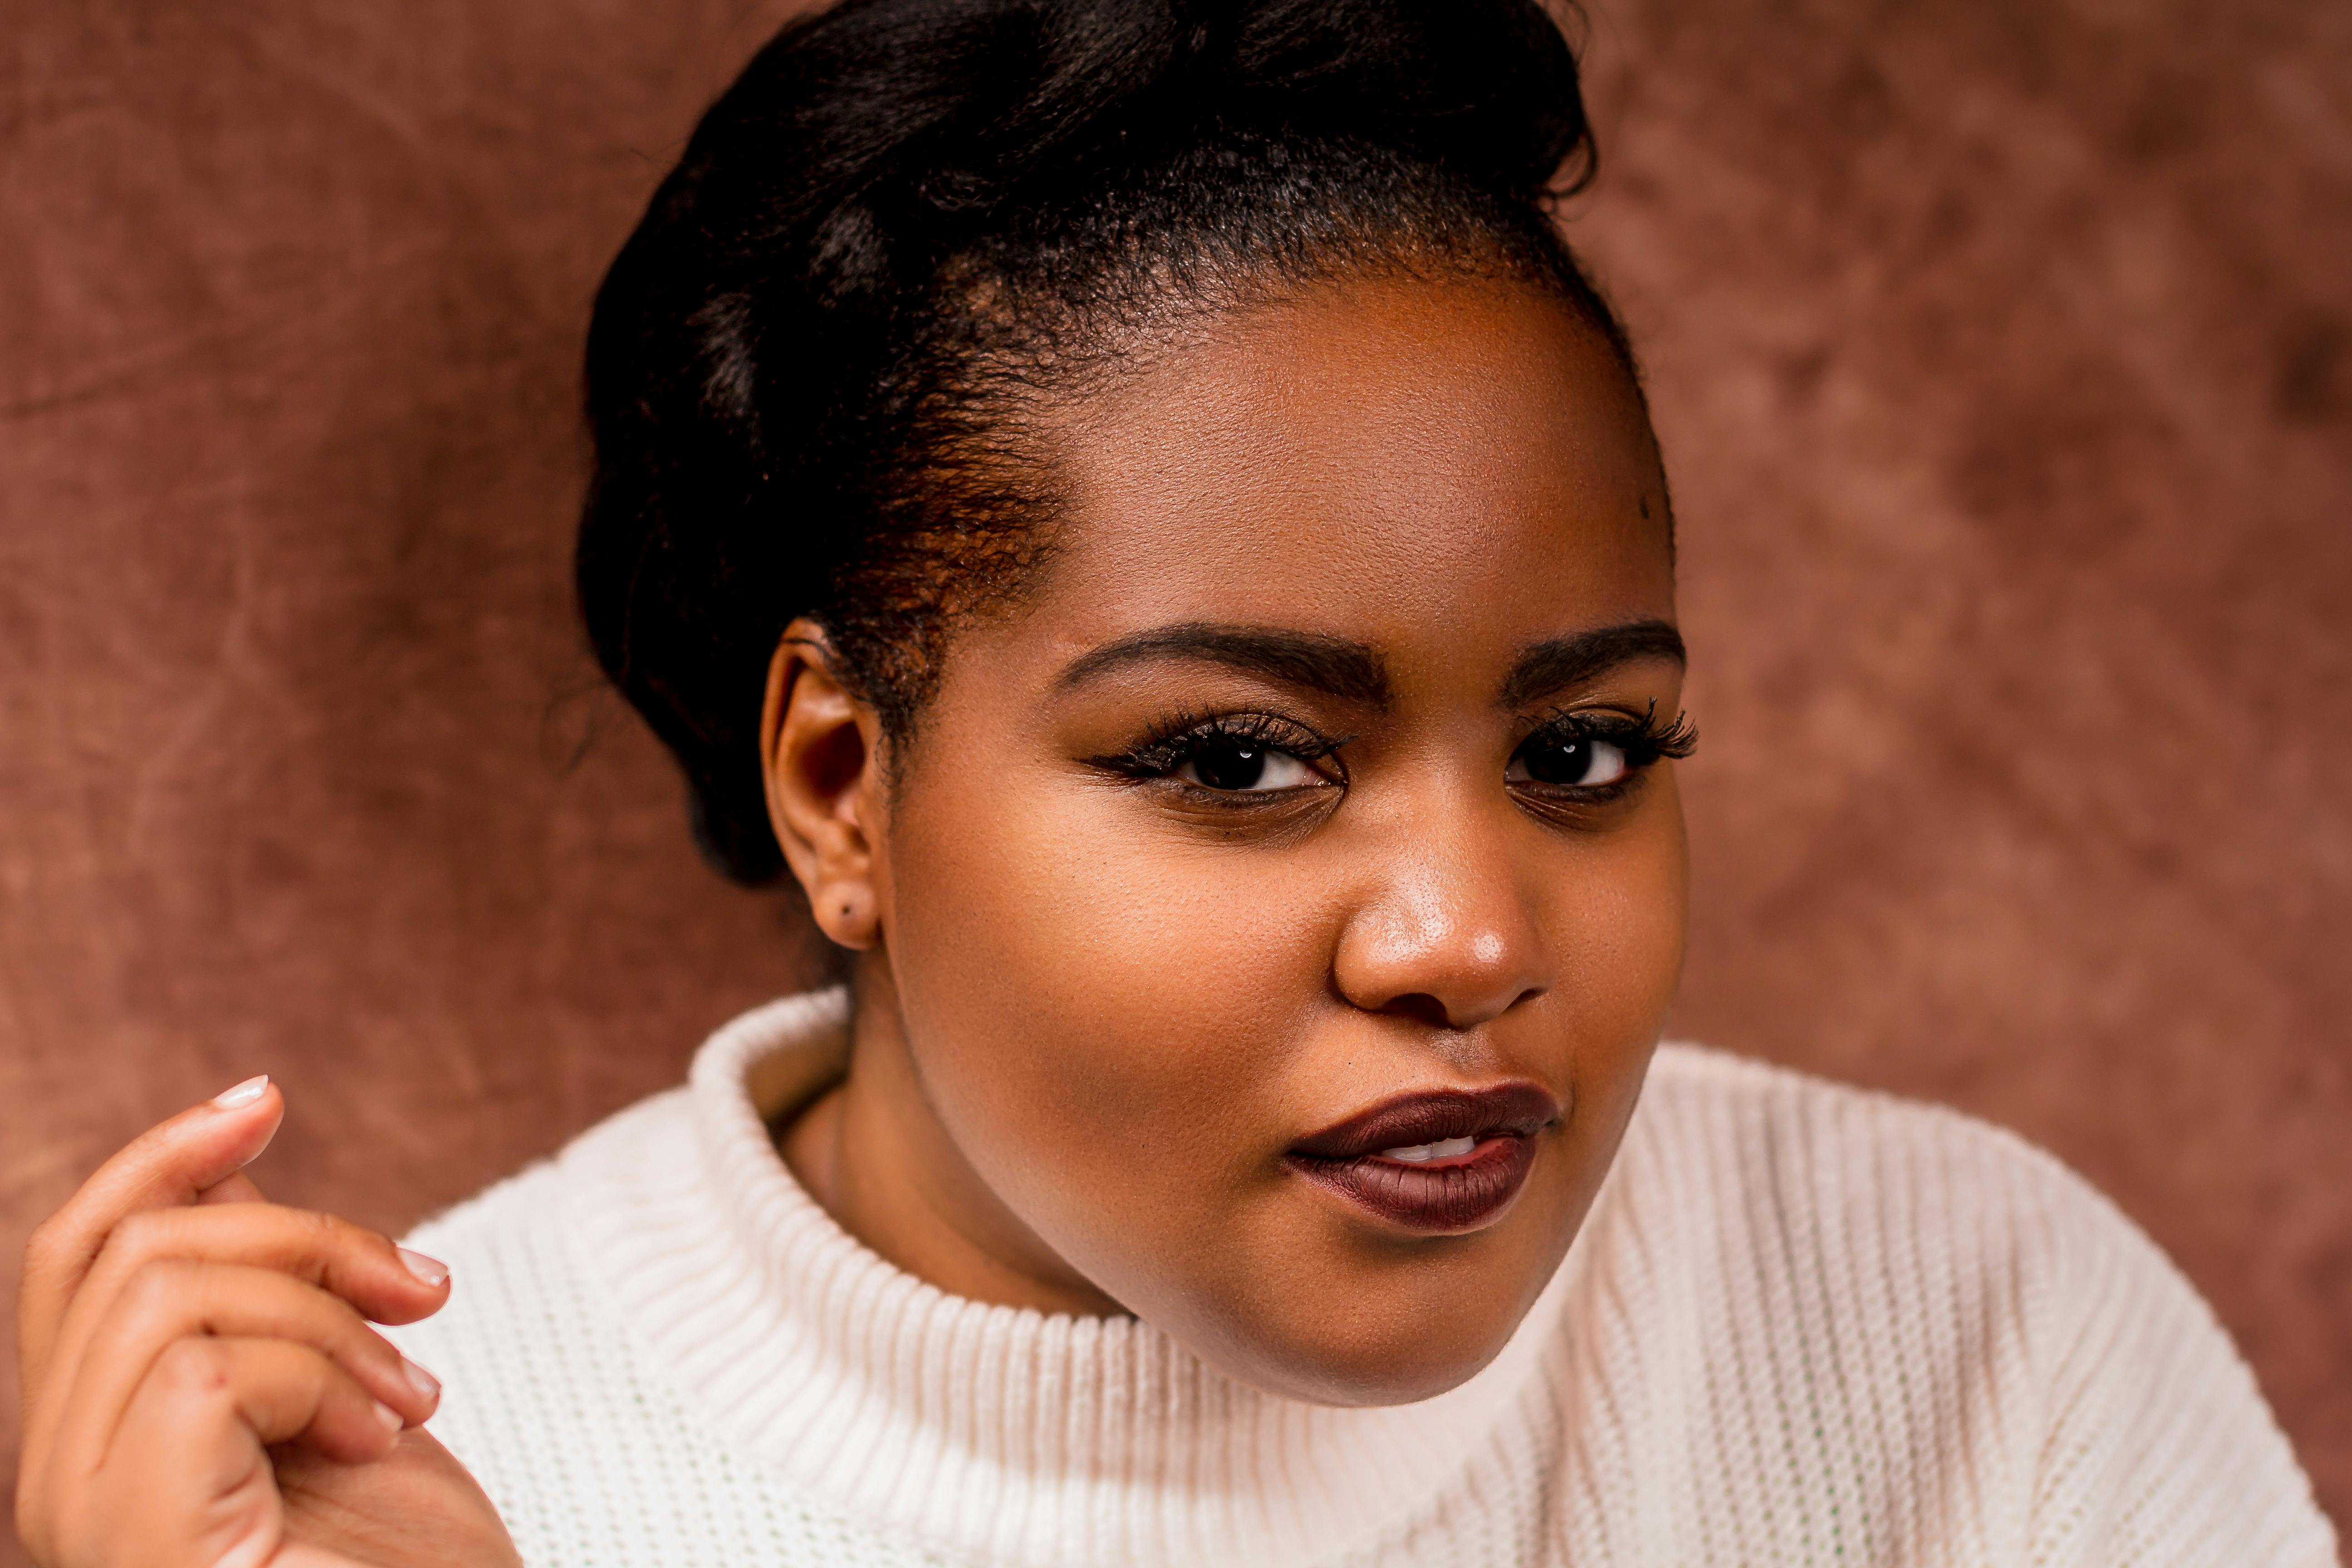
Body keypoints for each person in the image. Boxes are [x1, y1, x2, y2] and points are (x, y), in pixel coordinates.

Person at [13, 1, 2338, 1564]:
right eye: (1239, 757)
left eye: (1584, 748)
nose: (1477, 936)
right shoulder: (409, 1480)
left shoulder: (1969, 1345)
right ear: (842, 785)